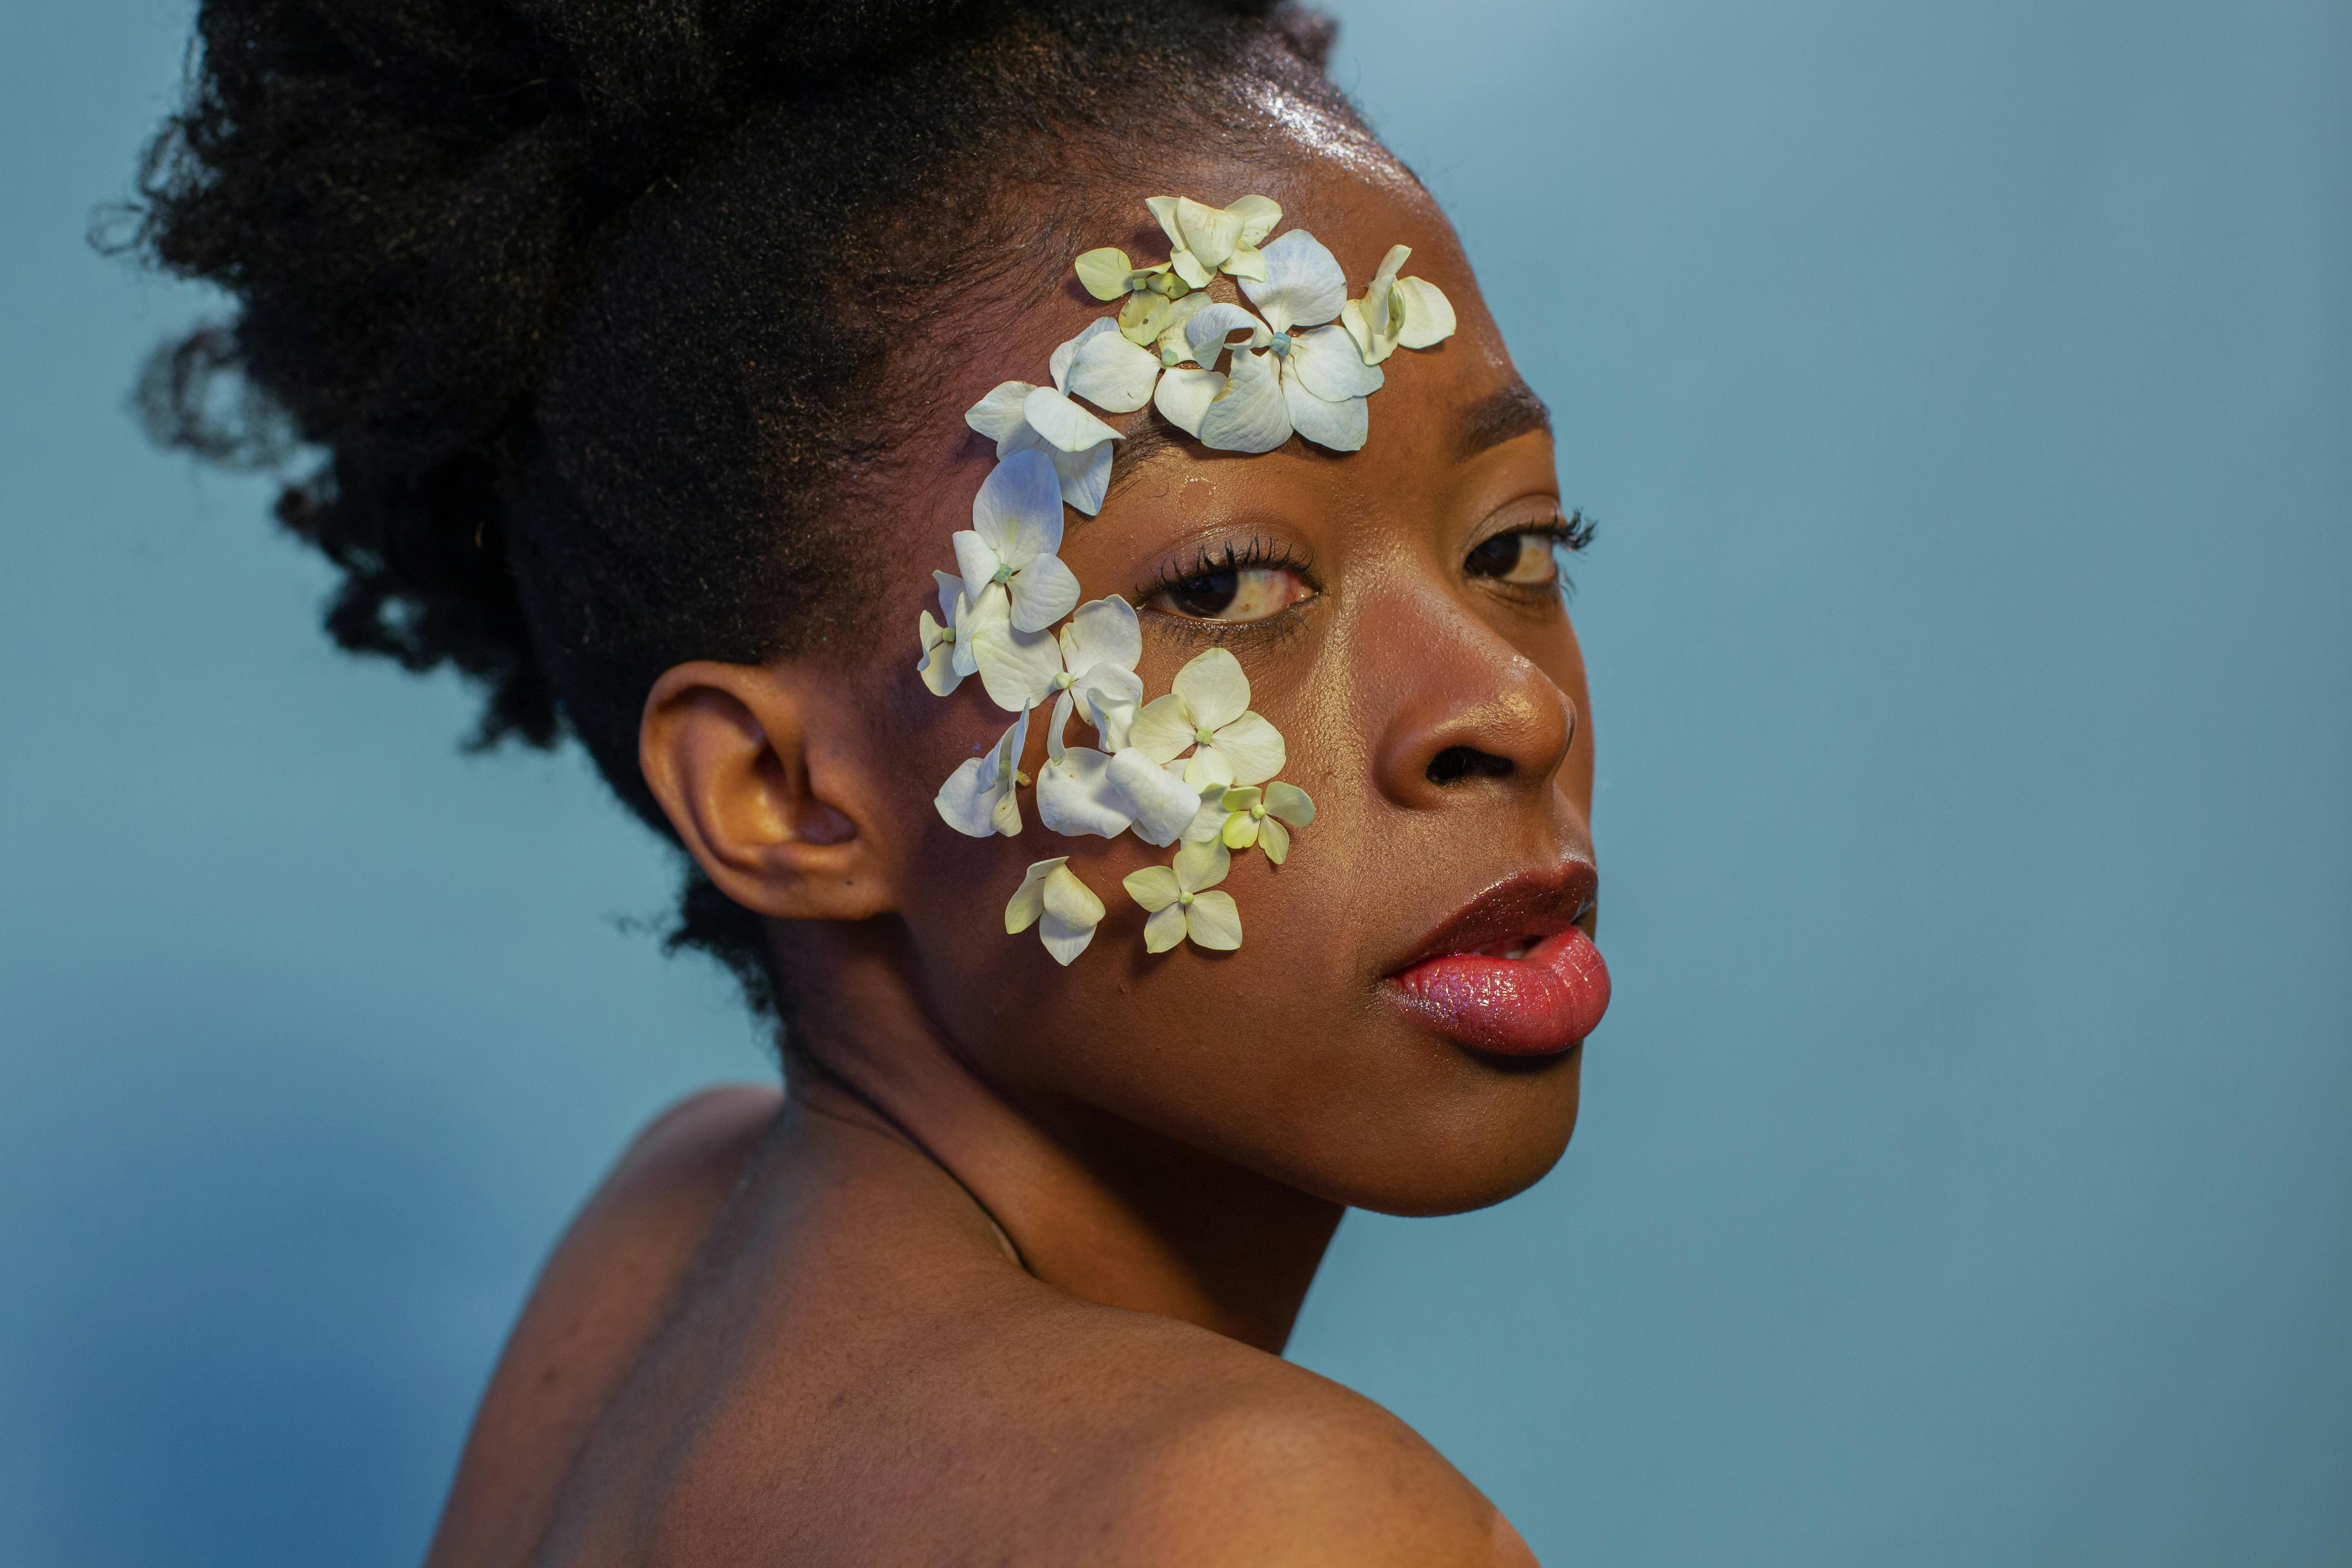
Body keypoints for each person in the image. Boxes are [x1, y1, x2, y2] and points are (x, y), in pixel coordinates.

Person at [126, 0, 1608, 1560]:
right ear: (780, 793)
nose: (1511, 706)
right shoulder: (1266, 1521)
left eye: (1516, 547)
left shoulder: (665, 1252)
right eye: (1224, 584)